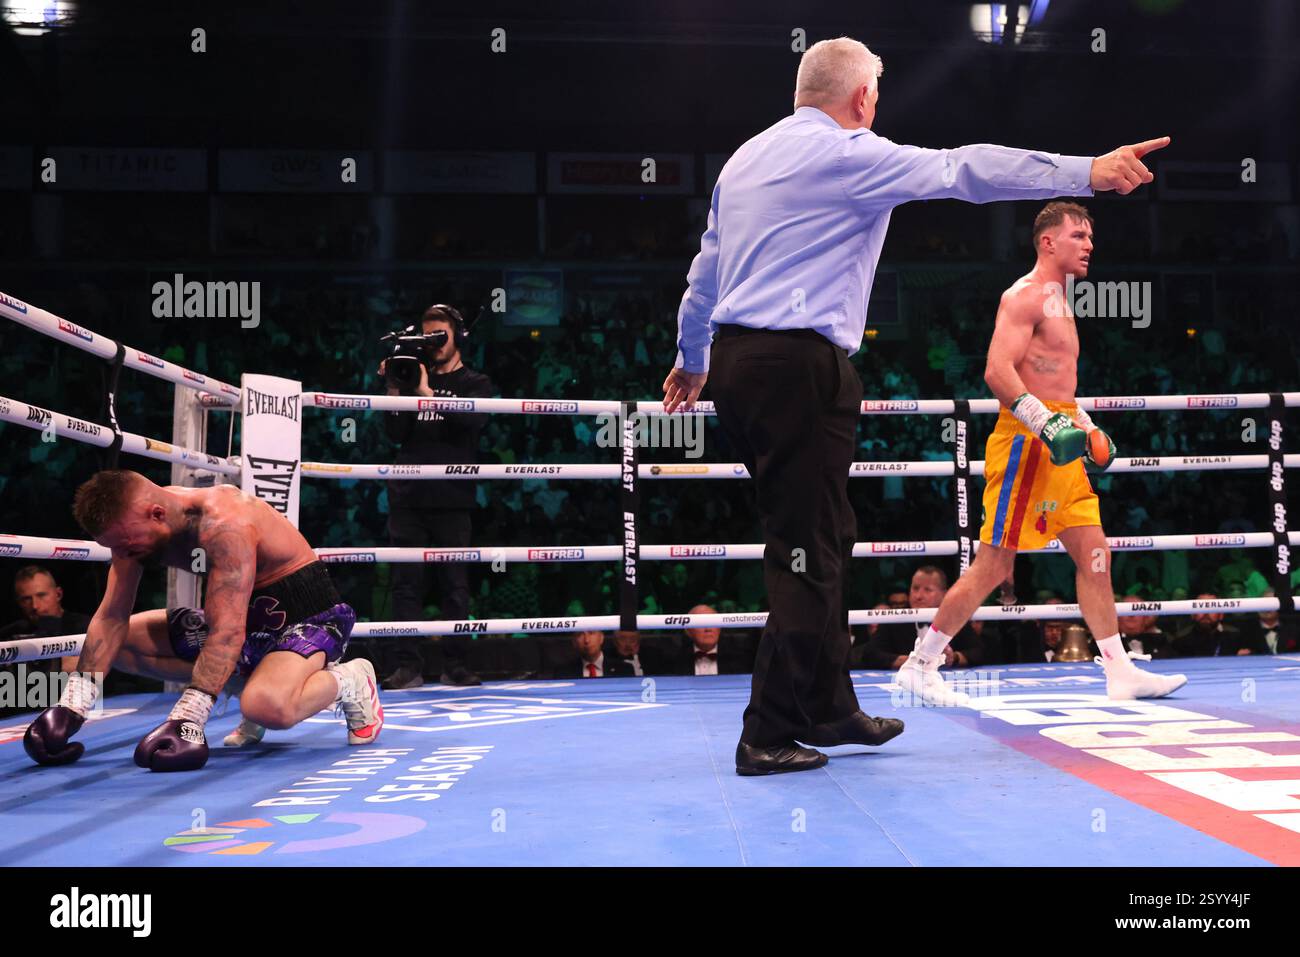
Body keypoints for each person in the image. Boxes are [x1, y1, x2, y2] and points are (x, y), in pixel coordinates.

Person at [663, 36, 1166, 775]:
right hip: (797, 367)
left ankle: (828, 706)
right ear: (862, 97)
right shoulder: (848, 153)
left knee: (827, 535)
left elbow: (706, 269)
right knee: (806, 549)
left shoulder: (744, 160)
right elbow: (964, 168)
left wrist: (692, 355)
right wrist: (1084, 172)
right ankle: (765, 732)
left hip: (739, 364)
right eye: (876, 94)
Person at [893, 202, 1186, 705]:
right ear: (1048, 242)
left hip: (1059, 440)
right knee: (994, 564)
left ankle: (1119, 671)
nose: (1089, 244)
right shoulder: (1024, 296)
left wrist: (1085, 425)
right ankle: (921, 664)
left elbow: (1057, 387)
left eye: (1090, 236)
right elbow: (996, 371)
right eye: (1078, 236)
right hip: (1026, 444)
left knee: (1095, 555)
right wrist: (1045, 422)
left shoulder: (1063, 300)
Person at [22, 470, 382, 772]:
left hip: (305, 618)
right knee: (121, 642)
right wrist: (72, 706)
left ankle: (350, 680)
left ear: (157, 514)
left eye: (128, 546)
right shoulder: (133, 528)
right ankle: (255, 678)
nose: (123, 555)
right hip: (240, 616)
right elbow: (112, 616)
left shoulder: (226, 524)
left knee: (265, 707)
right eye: (116, 547)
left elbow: (227, 632)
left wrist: (189, 718)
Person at [380, 304, 494, 690]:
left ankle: (456, 665)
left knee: (455, 585)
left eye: (439, 335)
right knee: (405, 584)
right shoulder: (410, 376)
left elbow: (473, 422)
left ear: (457, 335)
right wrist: (395, 386)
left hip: (452, 498)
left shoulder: (475, 383)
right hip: (408, 495)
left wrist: (426, 394)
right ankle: (407, 666)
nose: (434, 343)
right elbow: (395, 433)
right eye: (426, 337)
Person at [855, 566, 991, 669]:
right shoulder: (897, 618)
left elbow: (979, 652)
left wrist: (954, 658)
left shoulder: (953, 619)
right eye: (915, 588)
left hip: (944, 684)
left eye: (927, 590)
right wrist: (910, 661)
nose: (918, 596)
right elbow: (870, 653)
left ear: (944, 594)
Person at [0, 565, 91, 672]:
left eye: (41, 595)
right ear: (19, 602)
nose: (35, 606)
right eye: (26, 599)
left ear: (58, 594)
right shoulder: (10, 634)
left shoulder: (87, 627)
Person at [678, 605, 756, 675]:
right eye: (701, 623)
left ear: (719, 628)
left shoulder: (739, 657)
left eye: (712, 622)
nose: (708, 629)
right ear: (688, 631)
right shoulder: (676, 658)